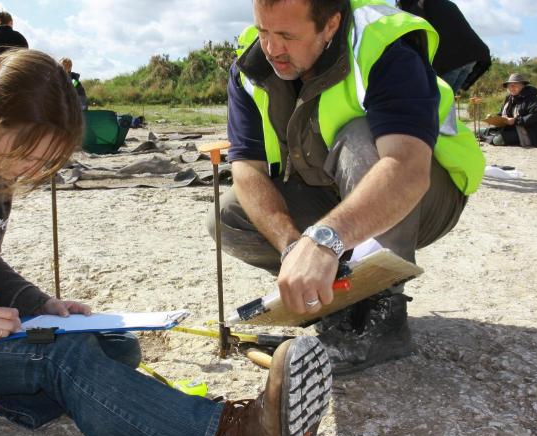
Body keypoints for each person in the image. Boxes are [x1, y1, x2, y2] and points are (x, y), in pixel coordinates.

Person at [0, 49, 332, 436]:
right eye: (28, 155)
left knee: (117, 348)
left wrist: (40, 306)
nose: (31, 171)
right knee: (64, 359)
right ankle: (227, 435)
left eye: (46, 160)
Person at [207, 0, 485, 375]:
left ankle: (382, 317)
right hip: (335, 194)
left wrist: (324, 240)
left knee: (359, 135)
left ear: (331, 25)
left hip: (423, 198)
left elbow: (405, 168)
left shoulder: (383, 42)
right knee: (227, 216)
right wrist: (293, 247)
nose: (271, 49)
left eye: (288, 35)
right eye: (264, 31)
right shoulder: (251, 64)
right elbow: (247, 170)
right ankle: (336, 300)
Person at [396, 0, 491, 93]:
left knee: (439, 102)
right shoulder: (446, 4)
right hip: (472, 56)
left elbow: (412, 34)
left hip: (451, 60)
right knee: (448, 101)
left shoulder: (416, 6)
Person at [482, 73, 537, 148]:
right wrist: (494, 118)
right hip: (514, 129)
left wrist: (515, 121)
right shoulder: (509, 98)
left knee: (497, 140)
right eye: (509, 85)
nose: (512, 88)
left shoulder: (534, 100)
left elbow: (534, 116)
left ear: (523, 85)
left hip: (535, 135)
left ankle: (489, 138)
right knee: (479, 132)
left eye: (515, 85)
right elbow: (502, 114)